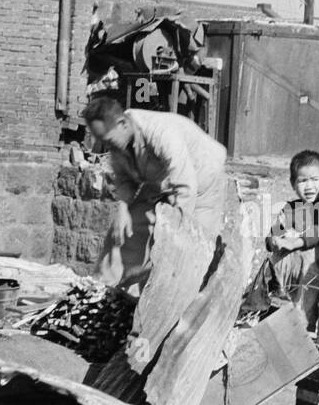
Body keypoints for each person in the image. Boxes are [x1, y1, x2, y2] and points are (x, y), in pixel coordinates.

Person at [84, 96, 228, 285]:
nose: (106, 146)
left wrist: (176, 236)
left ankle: (184, 305)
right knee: (124, 230)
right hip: (163, 182)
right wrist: (122, 208)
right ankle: (107, 288)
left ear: (122, 124)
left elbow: (186, 187)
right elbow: (125, 181)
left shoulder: (161, 132)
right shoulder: (118, 138)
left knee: (192, 252)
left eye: (108, 140)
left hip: (203, 181)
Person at [265, 150, 319, 330]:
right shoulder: (290, 208)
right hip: (289, 273)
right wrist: (275, 240)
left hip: (313, 272)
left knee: (304, 306)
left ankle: (302, 327)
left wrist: (293, 243)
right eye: (303, 181)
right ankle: (275, 298)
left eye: (314, 180)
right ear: (293, 184)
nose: (309, 186)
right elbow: (273, 234)